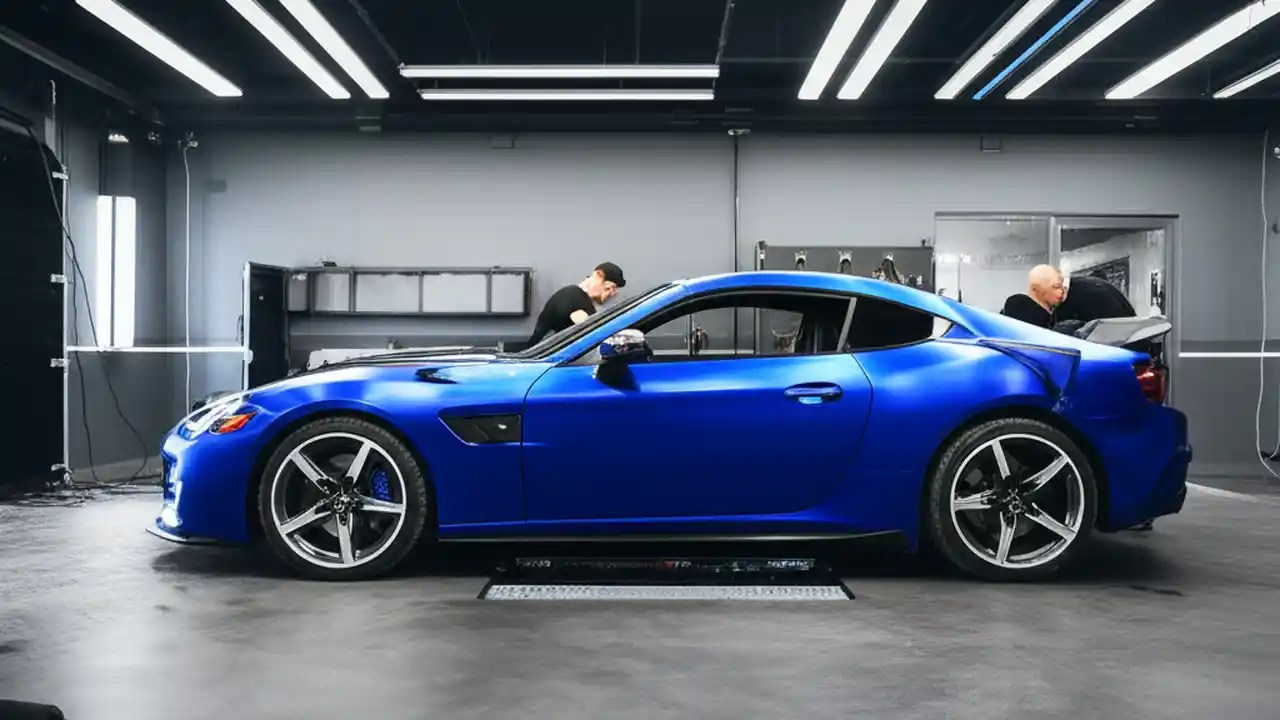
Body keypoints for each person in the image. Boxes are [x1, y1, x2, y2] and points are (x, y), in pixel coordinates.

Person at [527, 262, 626, 344]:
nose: (609, 294)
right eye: (608, 288)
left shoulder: (571, 294)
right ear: (598, 275)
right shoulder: (576, 297)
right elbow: (593, 332)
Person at [1000, 264, 1065, 328]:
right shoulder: (1023, 321)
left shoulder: (1054, 316)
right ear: (1036, 289)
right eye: (1056, 287)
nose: (1062, 291)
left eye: (1063, 286)